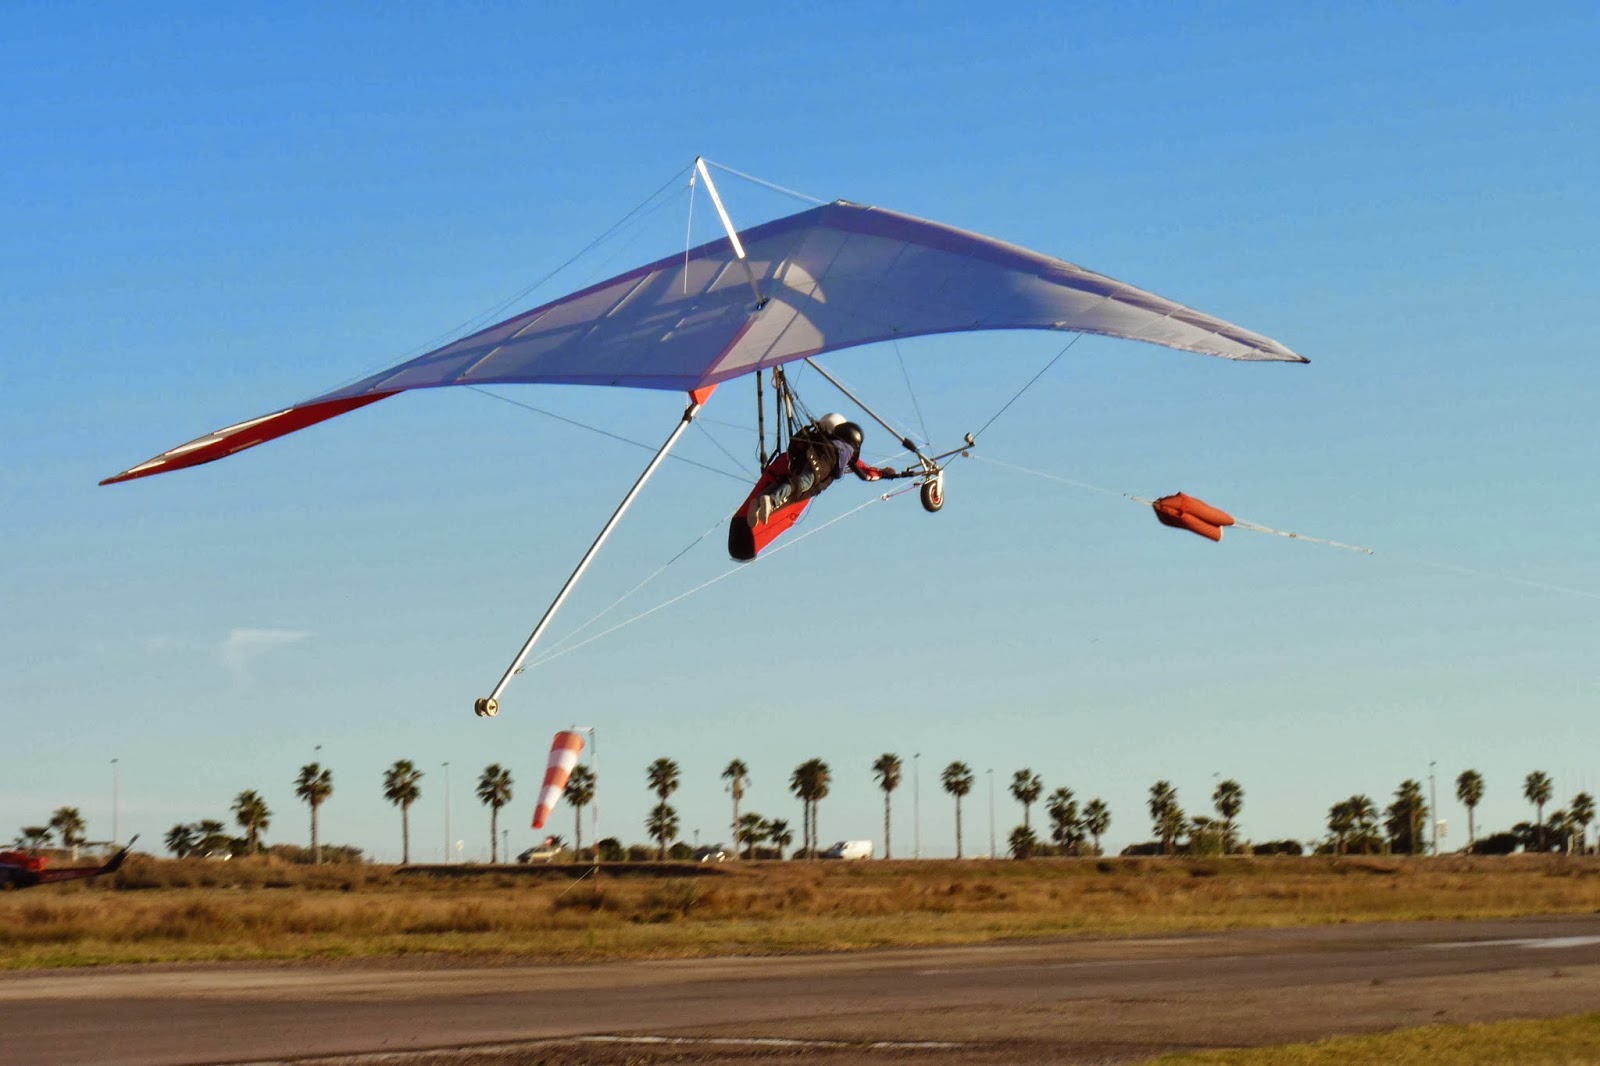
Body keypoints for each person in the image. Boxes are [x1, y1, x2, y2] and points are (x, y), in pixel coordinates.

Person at [748, 413, 897, 526]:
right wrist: (885, 474)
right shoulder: (846, 450)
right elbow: (861, 473)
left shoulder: (822, 437)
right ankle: (772, 500)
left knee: (788, 480)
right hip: (817, 468)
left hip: (804, 460)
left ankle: (759, 499)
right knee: (800, 485)